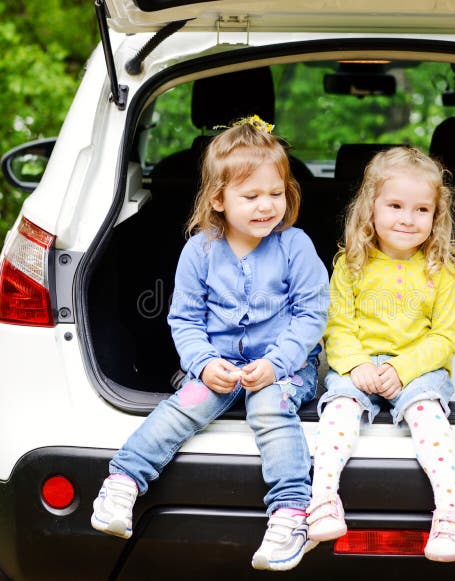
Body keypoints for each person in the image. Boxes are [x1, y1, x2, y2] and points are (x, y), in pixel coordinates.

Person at [90, 116, 330, 572]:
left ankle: (290, 514)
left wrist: (277, 364)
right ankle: (123, 481)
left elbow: (312, 314)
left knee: (270, 410)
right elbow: (183, 318)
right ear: (218, 199)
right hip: (218, 365)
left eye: (275, 194)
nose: (266, 206)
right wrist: (202, 364)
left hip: (284, 368)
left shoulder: (295, 246)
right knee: (185, 406)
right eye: (251, 196)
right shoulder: (199, 250)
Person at [307, 146, 455, 562]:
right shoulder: (350, 265)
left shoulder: (441, 271)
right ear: (370, 209)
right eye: (395, 205)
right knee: (338, 410)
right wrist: (358, 364)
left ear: (436, 216)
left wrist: (402, 368)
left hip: (418, 367)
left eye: (421, 209)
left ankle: (450, 515)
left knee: (428, 417)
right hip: (358, 363)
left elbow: (443, 338)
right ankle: (323, 500)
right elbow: (337, 326)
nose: (406, 218)